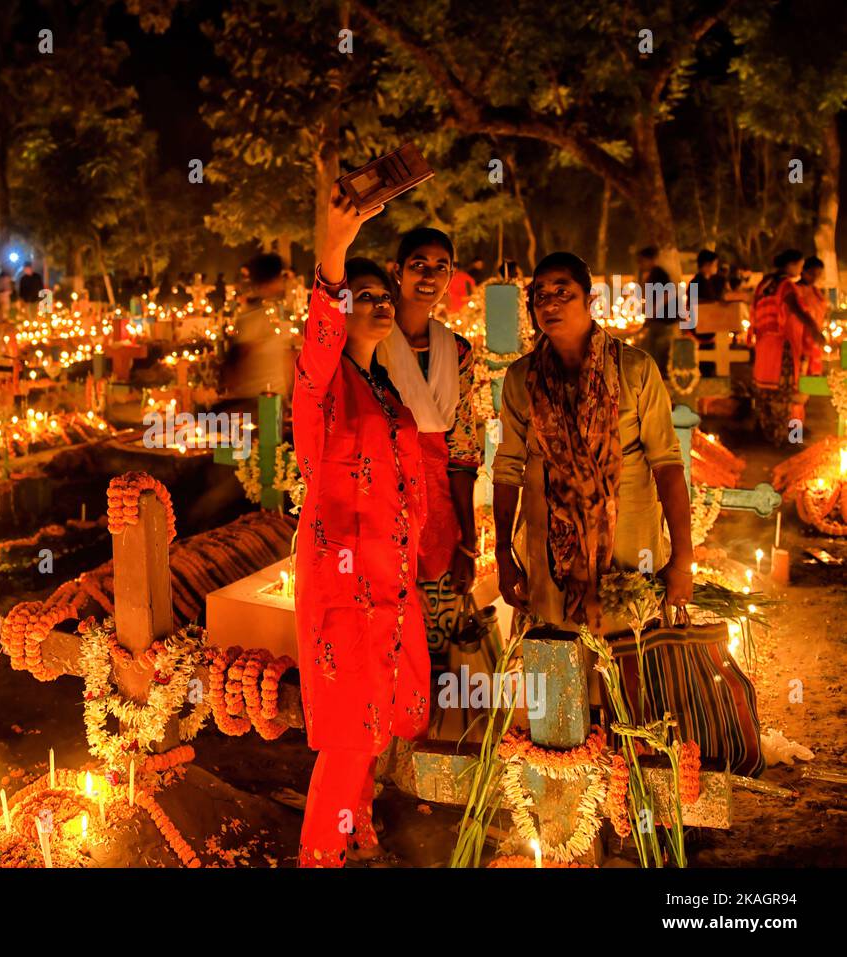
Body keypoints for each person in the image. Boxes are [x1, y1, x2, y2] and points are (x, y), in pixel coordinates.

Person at [293, 184, 431, 867]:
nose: (377, 303)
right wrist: (336, 247)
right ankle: (320, 852)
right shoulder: (322, 387)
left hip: (392, 585)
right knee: (350, 728)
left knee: (377, 719)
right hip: (344, 586)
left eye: (385, 296)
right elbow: (318, 336)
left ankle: (358, 827)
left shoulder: (388, 391)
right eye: (362, 295)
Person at [493, 251, 693, 634]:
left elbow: (667, 465)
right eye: (540, 295)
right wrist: (504, 552)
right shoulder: (522, 379)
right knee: (560, 669)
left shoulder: (633, 370)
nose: (549, 302)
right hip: (550, 554)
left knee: (630, 663)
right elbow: (507, 467)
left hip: (630, 547)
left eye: (562, 292)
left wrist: (682, 559)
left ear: (590, 300)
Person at [376, 227, 481, 667]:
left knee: (434, 655)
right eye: (419, 264)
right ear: (396, 271)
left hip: (438, 520)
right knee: (383, 648)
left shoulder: (456, 351)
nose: (430, 276)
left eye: (442, 267)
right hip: (378, 509)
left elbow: (462, 452)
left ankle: (423, 734)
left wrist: (468, 544)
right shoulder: (368, 341)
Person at [750, 249, 825, 441]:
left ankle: (766, 434)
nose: (801, 269)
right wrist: (814, 330)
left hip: (764, 345)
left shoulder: (765, 283)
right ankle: (791, 437)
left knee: (765, 390)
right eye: (800, 265)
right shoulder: (786, 286)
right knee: (789, 393)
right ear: (791, 265)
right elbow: (796, 308)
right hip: (782, 347)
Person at [222, 253, 294, 410]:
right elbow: (238, 356)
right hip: (258, 402)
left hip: (273, 398)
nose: (283, 282)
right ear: (270, 280)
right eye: (280, 277)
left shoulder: (267, 310)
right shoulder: (253, 316)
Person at [636, 245, 677, 376]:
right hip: (658, 320)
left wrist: (652, 312)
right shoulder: (652, 274)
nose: (640, 265)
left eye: (642, 261)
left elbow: (667, 294)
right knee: (653, 351)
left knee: (659, 353)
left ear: (650, 260)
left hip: (663, 320)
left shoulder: (658, 273)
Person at [795, 256, 828, 376]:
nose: (815, 277)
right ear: (803, 271)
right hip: (800, 337)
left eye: (818, 274)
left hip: (814, 336)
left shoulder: (816, 291)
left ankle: (810, 392)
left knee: (813, 372)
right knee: (801, 370)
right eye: (812, 273)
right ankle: (801, 392)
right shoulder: (795, 289)